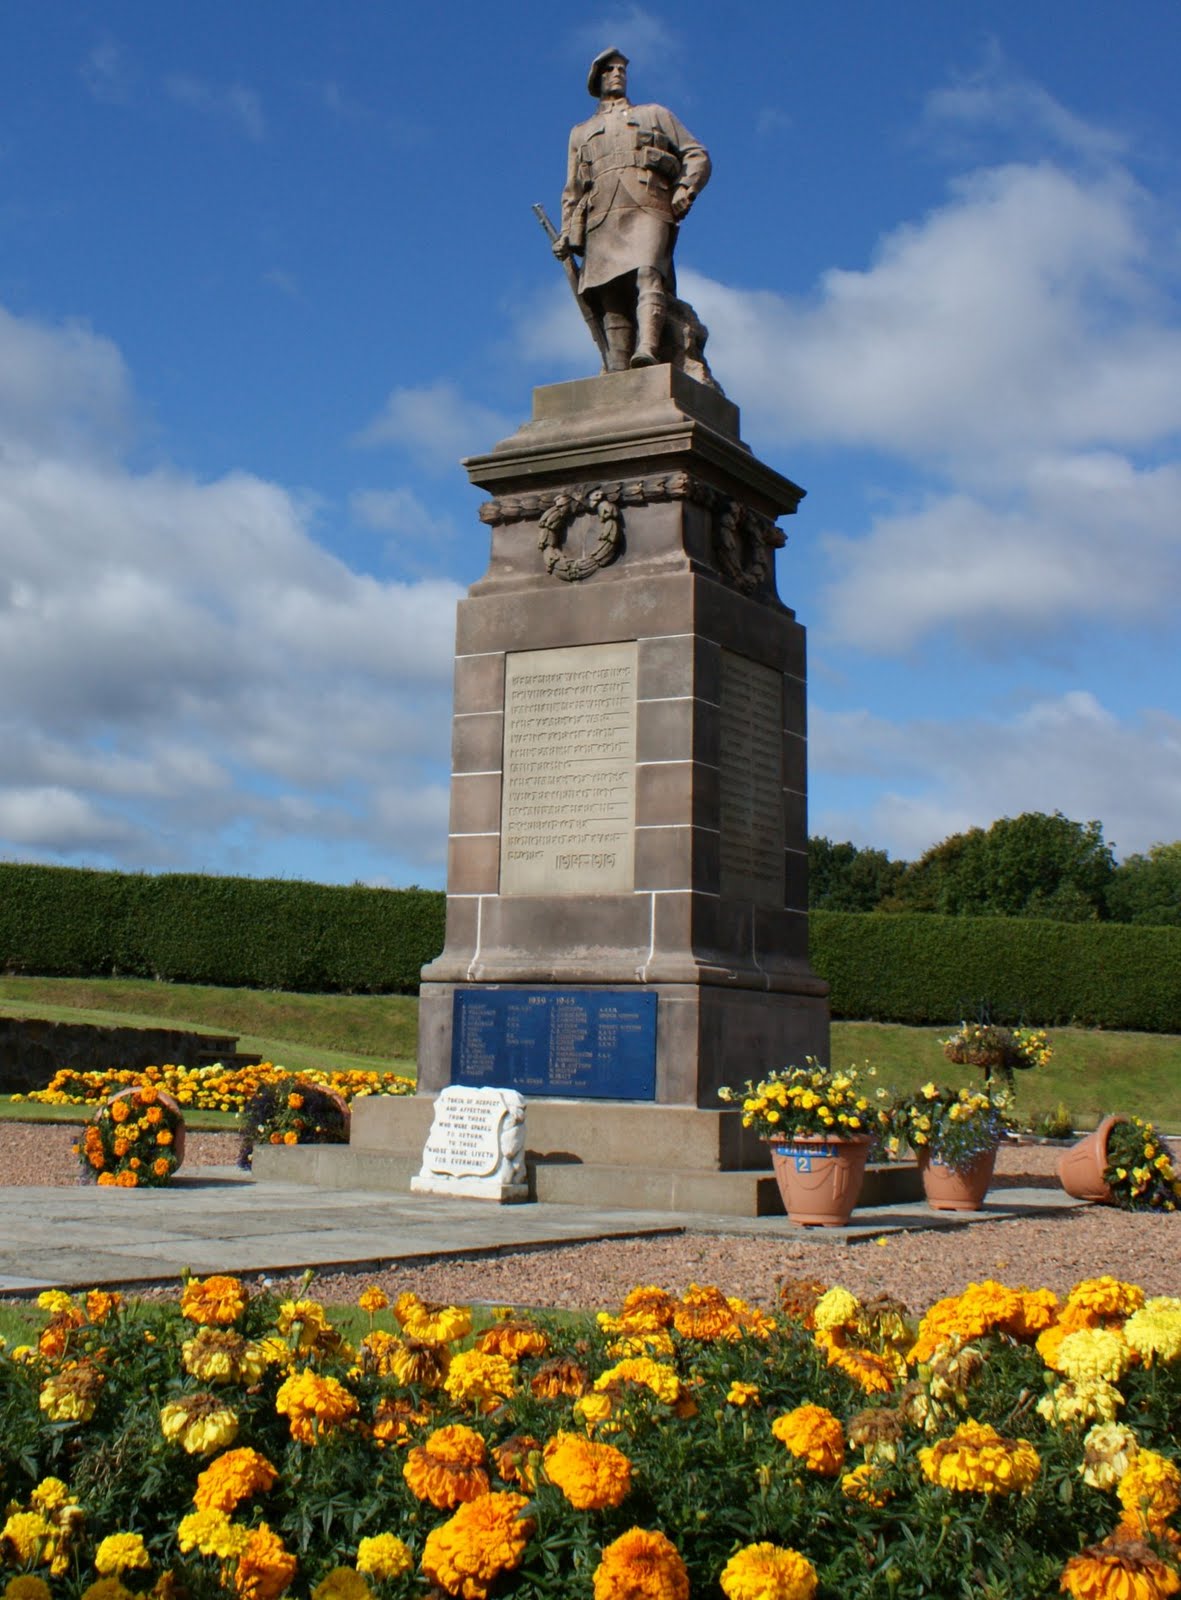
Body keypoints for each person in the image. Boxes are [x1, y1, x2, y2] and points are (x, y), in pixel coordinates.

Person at [553, 48, 711, 372]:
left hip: (649, 204)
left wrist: (686, 188)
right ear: (597, 79)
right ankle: (618, 368)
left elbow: (697, 155)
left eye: (621, 69)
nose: (617, 74)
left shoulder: (654, 114)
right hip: (602, 215)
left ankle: (648, 349)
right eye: (609, 70)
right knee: (610, 295)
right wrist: (566, 230)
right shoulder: (580, 132)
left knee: (649, 272)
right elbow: (572, 189)